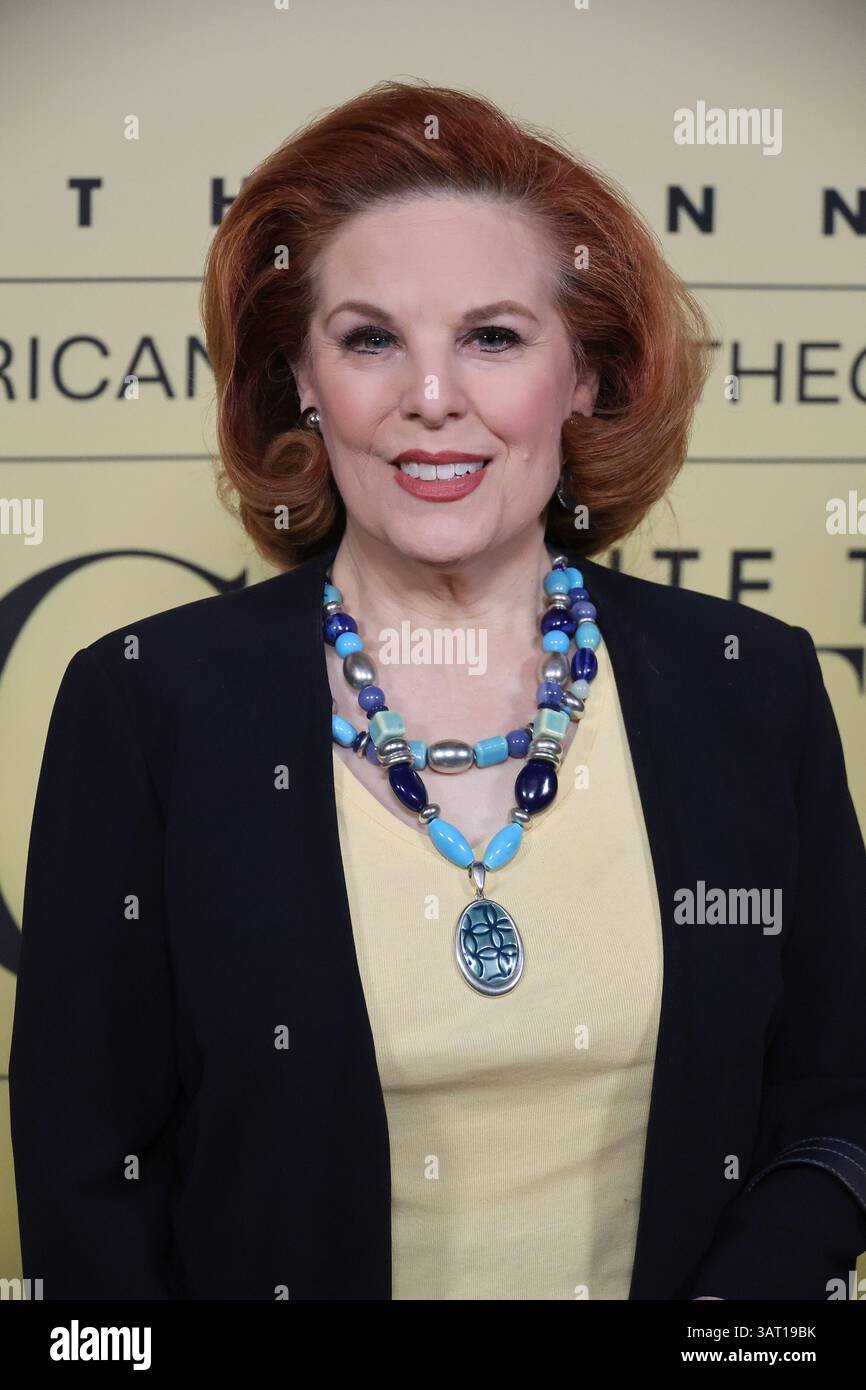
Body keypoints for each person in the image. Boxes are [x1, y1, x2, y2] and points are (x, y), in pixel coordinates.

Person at [10, 79, 866, 1301]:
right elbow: (84, 1178)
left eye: (493, 336)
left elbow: (835, 1092)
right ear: (301, 379)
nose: (429, 396)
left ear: (584, 375)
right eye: (369, 339)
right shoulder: (146, 706)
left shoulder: (752, 687)